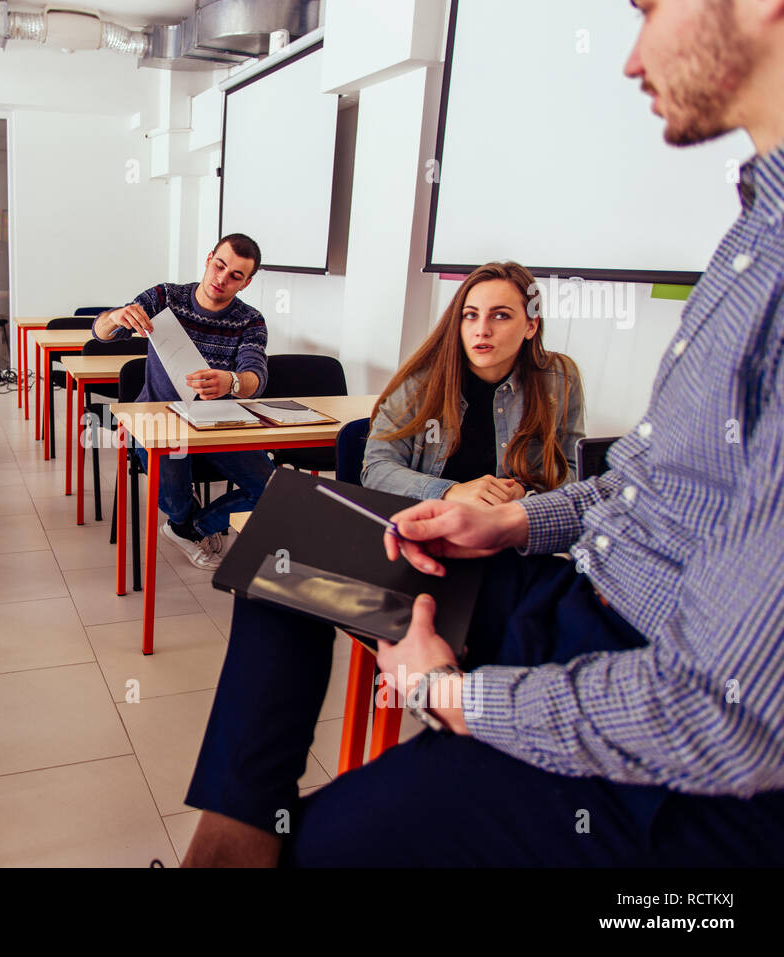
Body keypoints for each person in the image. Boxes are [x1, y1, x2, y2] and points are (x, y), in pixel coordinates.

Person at [180, 0, 784, 866]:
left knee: (329, 846)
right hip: (580, 592)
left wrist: (451, 695)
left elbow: (727, 713)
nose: (631, 56)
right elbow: (651, 483)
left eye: (649, 9)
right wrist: (513, 521)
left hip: (666, 714)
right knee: (290, 542)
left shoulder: (575, 373)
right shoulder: (754, 234)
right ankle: (230, 839)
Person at [92, 233, 274, 570]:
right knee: (174, 498)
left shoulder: (250, 320)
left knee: (273, 489)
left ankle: (191, 527)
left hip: (220, 421)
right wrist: (115, 317)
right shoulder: (165, 297)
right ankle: (182, 517)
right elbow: (101, 332)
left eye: (235, 275)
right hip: (159, 421)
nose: (222, 278)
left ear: (246, 283)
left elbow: (255, 377)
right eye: (220, 266)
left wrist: (232, 381)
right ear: (208, 259)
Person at [361, 261, 586, 504]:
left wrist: (524, 491)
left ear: (531, 326)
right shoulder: (421, 381)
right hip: (434, 525)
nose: (481, 330)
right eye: (470, 315)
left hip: (510, 530)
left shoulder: (559, 377)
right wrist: (450, 492)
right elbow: (377, 469)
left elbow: (574, 472)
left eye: (501, 316)